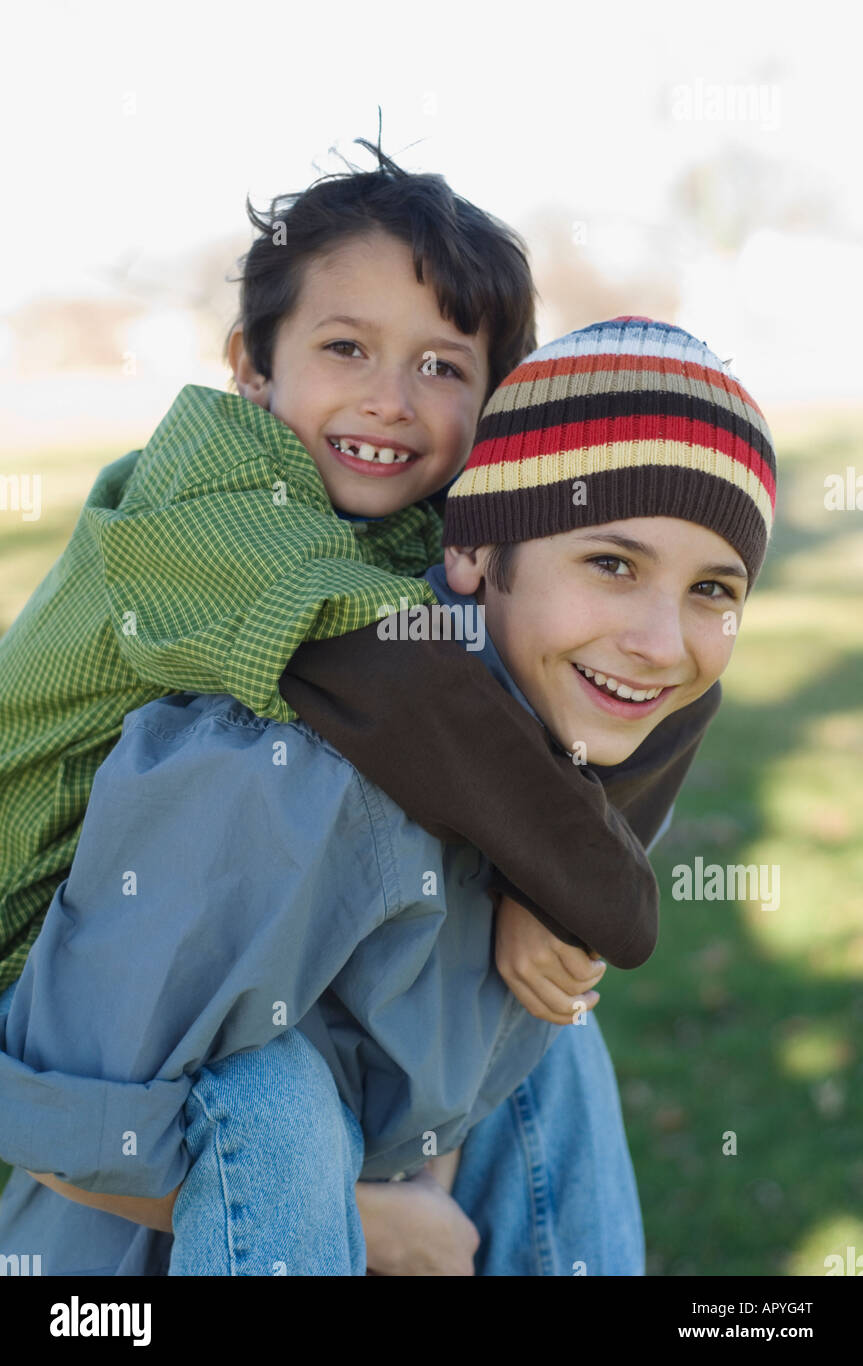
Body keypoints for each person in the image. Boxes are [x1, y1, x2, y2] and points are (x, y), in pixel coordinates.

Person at [0, 318, 775, 1275]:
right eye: (610, 565)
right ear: (473, 553)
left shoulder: (574, 740)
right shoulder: (297, 778)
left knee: (558, 1026)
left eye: (712, 590)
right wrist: (381, 1224)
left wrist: (548, 889)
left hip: (402, 1188)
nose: (660, 643)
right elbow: (66, 1126)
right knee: (276, 1085)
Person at [0, 139, 704, 1031]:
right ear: (251, 365)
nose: (390, 400)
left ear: (489, 406)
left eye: (441, 367)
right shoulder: (208, 491)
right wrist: (586, 883)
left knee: (542, 1021)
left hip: (174, 945)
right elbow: (403, 681)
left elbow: (647, 665)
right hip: (29, 950)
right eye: (345, 348)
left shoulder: (429, 518)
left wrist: (549, 888)